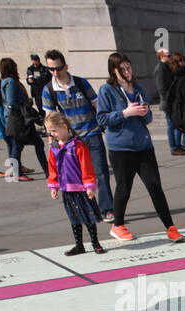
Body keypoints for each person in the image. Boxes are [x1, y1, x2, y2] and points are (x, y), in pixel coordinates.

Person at [97, 52, 183, 243]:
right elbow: (102, 118)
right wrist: (125, 113)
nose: (127, 71)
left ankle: (170, 227)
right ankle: (118, 225)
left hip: (143, 146)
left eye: (128, 67)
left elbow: (148, 117)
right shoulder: (107, 90)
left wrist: (145, 113)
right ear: (114, 71)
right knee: (123, 188)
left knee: (155, 186)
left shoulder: (137, 88)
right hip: (121, 148)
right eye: (122, 69)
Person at [40, 50, 112, 217]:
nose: (55, 72)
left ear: (66, 66)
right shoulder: (48, 89)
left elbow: (97, 105)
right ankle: (88, 209)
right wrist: (51, 142)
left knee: (100, 173)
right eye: (51, 69)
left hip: (91, 133)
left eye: (58, 68)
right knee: (76, 177)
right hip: (70, 141)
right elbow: (49, 118)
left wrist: (106, 124)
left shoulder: (81, 83)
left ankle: (107, 208)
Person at [45, 110, 106, 254]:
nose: (52, 134)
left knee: (89, 217)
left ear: (64, 127)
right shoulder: (54, 148)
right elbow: (52, 169)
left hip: (81, 189)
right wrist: (54, 186)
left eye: (54, 131)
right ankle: (79, 245)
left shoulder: (77, 145)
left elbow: (86, 167)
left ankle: (95, 243)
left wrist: (89, 186)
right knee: (74, 219)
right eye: (49, 132)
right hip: (67, 190)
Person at [0, 57, 47, 180]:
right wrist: (25, 105)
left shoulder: (8, 81)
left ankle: (47, 170)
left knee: (31, 144)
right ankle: (19, 173)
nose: (17, 68)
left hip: (18, 117)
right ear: (11, 68)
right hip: (18, 118)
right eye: (14, 66)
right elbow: (11, 102)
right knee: (19, 144)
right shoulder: (10, 82)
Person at [154, 49, 185, 155]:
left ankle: (177, 146)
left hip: (172, 100)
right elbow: (162, 88)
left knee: (174, 124)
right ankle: (174, 147)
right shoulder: (161, 69)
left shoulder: (165, 67)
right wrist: (170, 99)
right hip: (168, 102)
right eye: (168, 55)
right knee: (171, 125)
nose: (170, 57)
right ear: (162, 56)